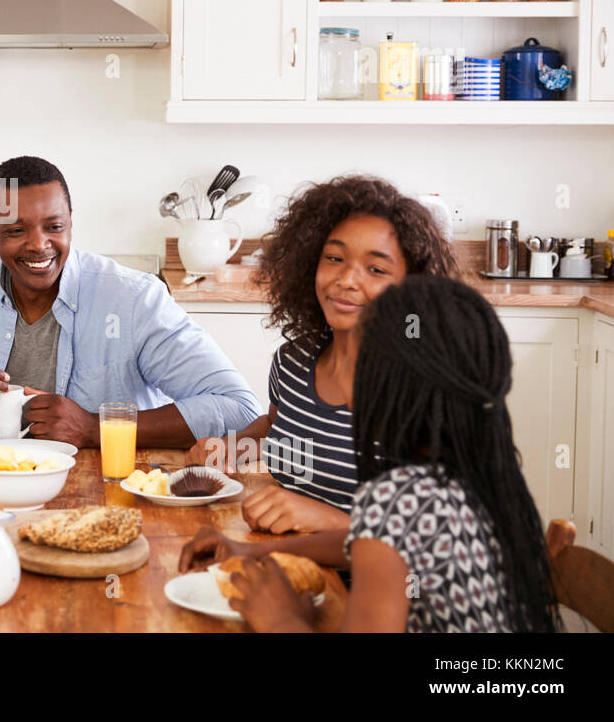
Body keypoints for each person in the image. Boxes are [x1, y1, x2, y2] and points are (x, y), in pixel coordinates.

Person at [178, 275, 559, 633]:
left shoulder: (398, 496)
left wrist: (283, 621)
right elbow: (367, 541)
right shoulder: (474, 474)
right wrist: (249, 551)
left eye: (353, 353)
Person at [0, 156, 260, 447]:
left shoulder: (132, 299)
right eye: (16, 230)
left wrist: (95, 428)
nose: (39, 245)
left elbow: (238, 409)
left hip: (102, 496)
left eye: (55, 226)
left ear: (71, 220)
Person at [184, 175, 458, 533]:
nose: (346, 279)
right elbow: (277, 428)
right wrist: (230, 448)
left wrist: (321, 519)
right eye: (334, 258)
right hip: (288, 567)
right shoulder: (292, 363)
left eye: (375, 269)